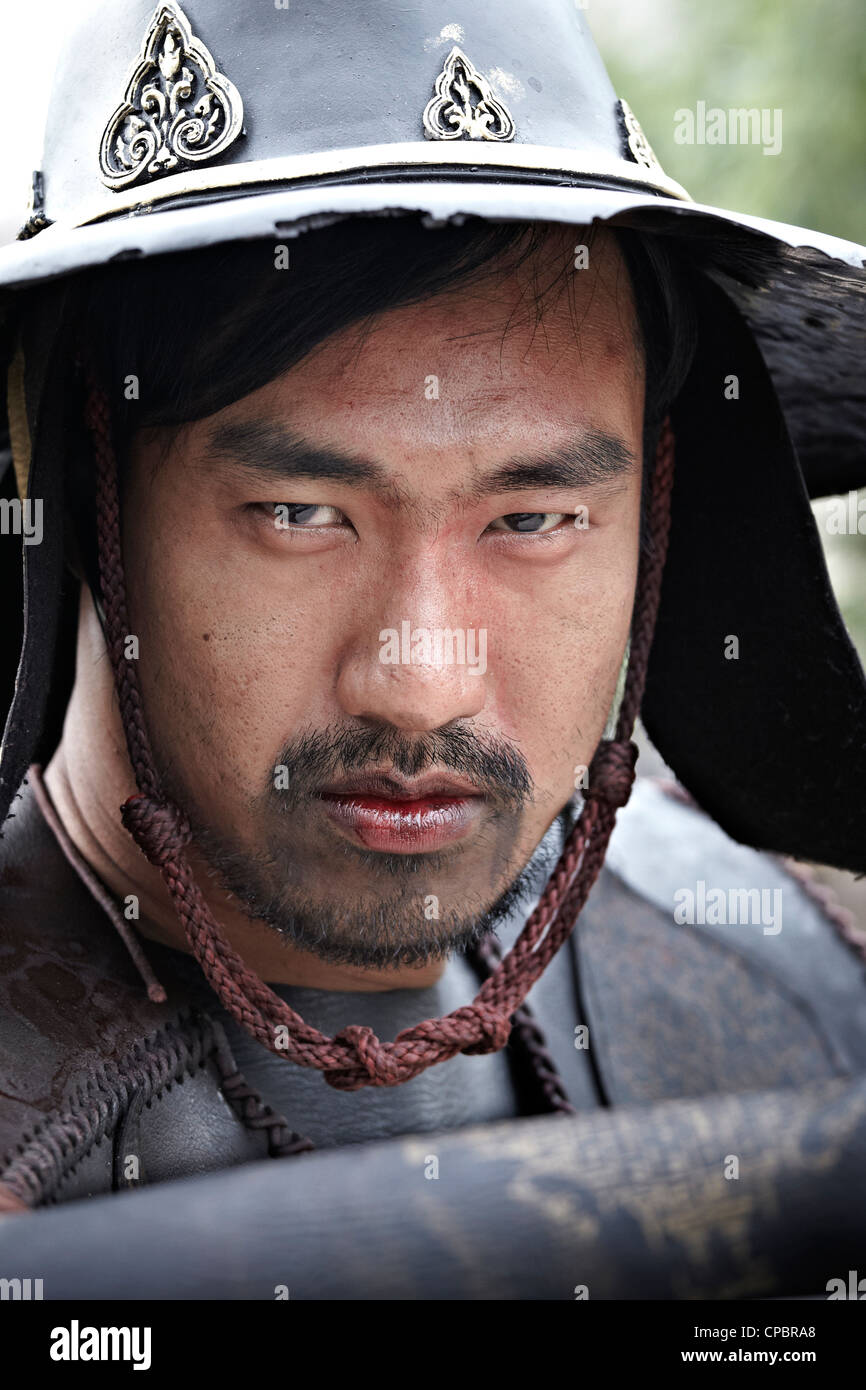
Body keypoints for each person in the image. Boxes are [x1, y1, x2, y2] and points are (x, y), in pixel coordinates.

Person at [0, 0, 863, 1298]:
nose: (422, 679)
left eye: (531, 519)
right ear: (76, 505)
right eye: (300, 514)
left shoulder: (811, 980)